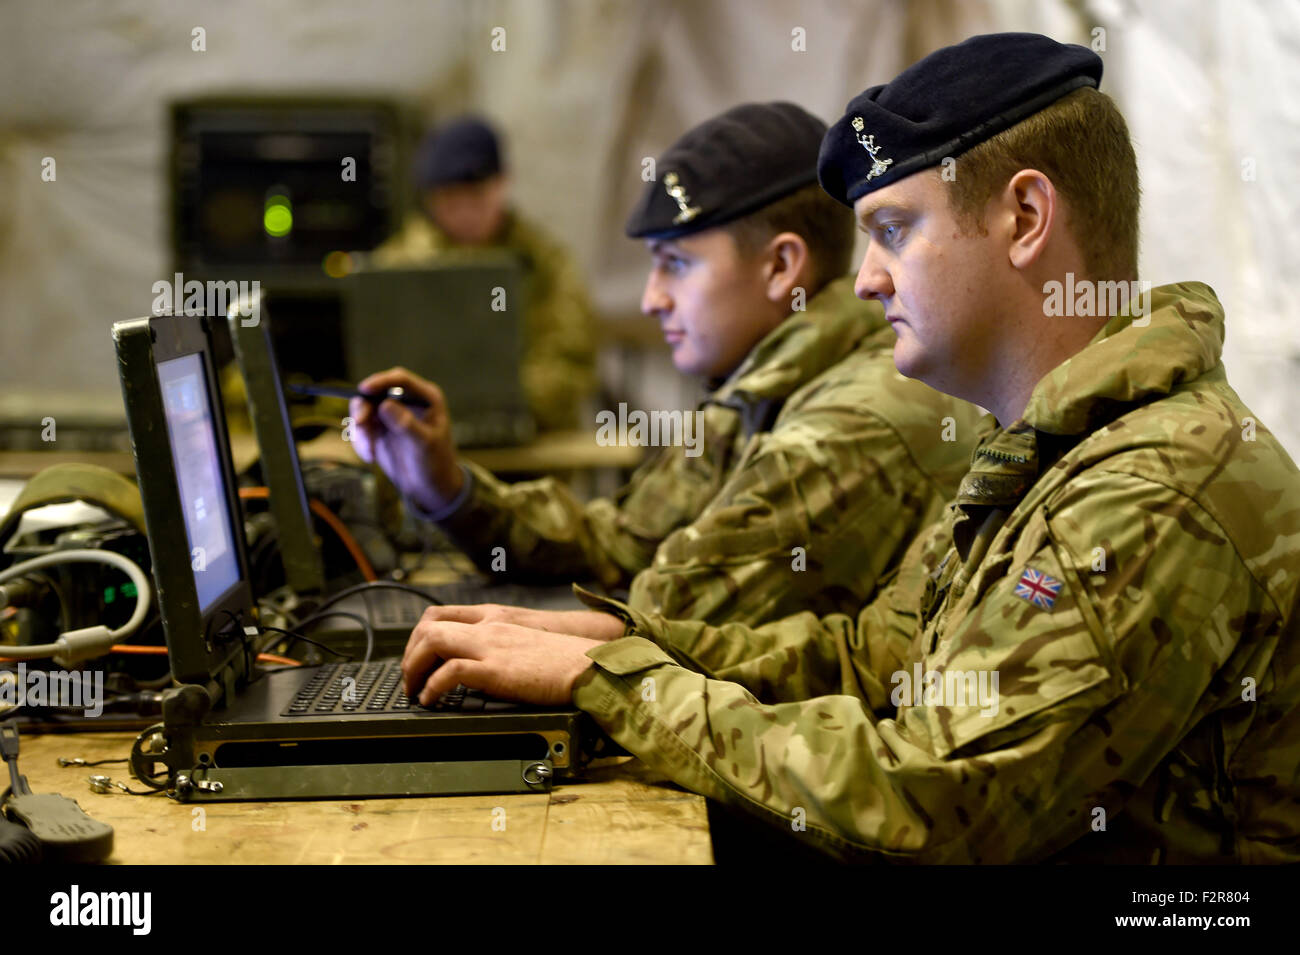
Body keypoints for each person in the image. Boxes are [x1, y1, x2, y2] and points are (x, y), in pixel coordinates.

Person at [398, 34, 1300, 864]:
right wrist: (629, 639)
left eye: (895, 231)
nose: (865, 279)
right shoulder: (1043, 446)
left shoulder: (1154, 489)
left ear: (1026, 217)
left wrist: (616, 680)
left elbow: (936, 797)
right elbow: (874, 656)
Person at [354, 102, 982, 629]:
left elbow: (664, 620)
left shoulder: (848, 425)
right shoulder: (760, 393)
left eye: (675, 265)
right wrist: (447, 488)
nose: (653, 298)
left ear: (780, 268)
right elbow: (619, 543)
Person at [370, 116, 598, 431]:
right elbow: (373, 362)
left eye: (476, 197)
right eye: (450, 200)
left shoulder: (545, 263)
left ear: (503, 184)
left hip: (532, 446)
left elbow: (571, 360)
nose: (464, 213)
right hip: (417, 436)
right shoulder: (396, 268)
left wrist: (502, 402)